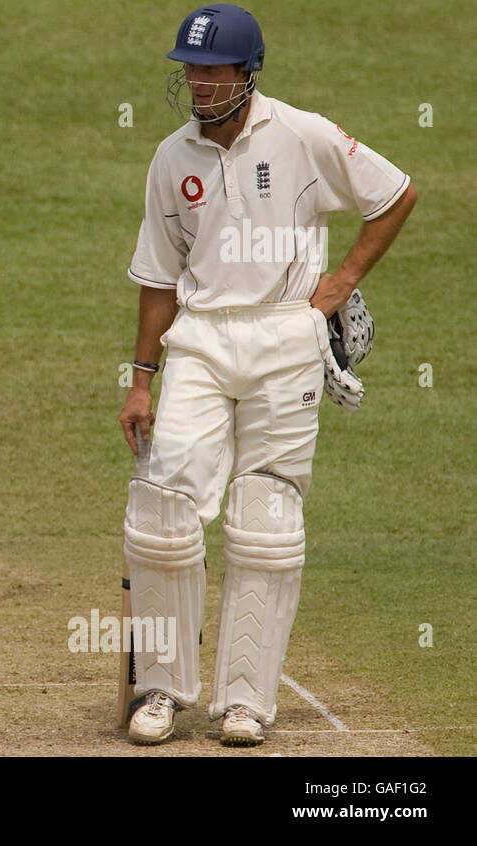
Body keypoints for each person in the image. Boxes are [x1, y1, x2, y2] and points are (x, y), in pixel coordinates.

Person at [118, 5, 416, 746]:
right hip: (201, 339)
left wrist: (340, 281)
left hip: (285, 333)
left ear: (246, 73)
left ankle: (245, 703)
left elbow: (394, 193)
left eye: (211, 69)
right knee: (161, 508)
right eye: (189, 68)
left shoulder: (303, 135)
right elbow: (158, 279)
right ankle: (159, 689)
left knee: (267, 520)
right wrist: (142, 378)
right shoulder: (170, 158)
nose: (196, 82)